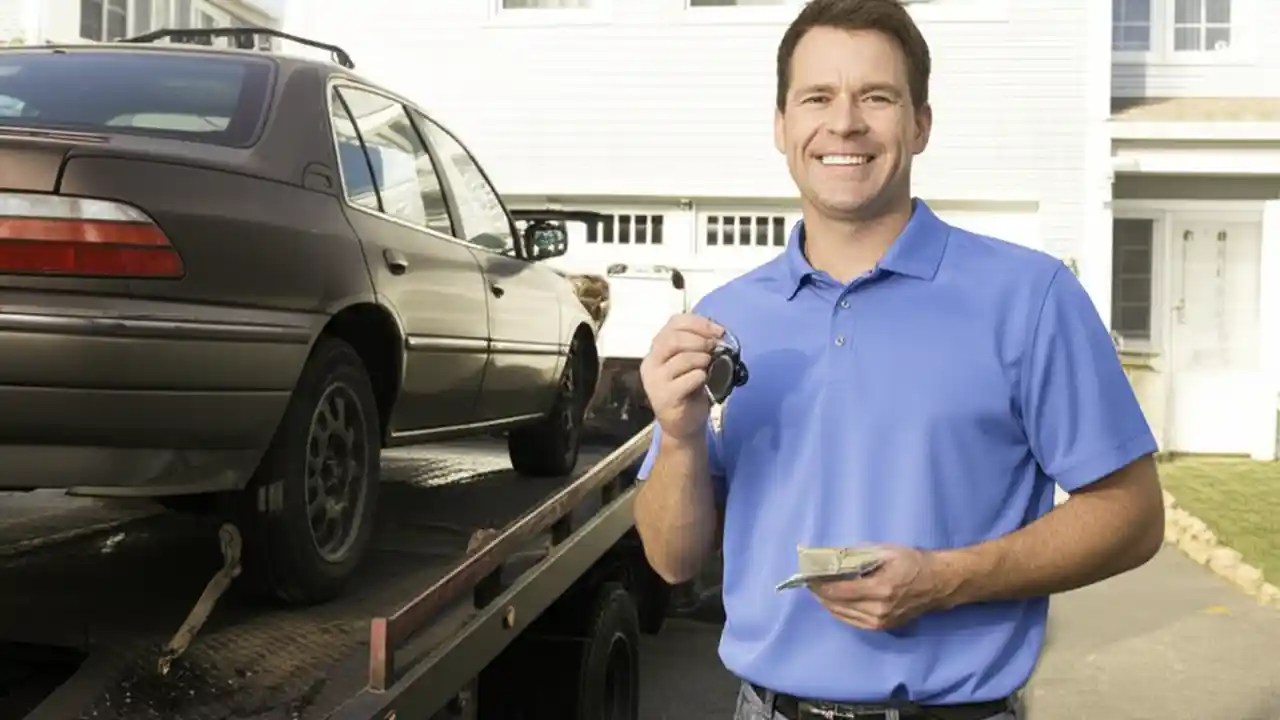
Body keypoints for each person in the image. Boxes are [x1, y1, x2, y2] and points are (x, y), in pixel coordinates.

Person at [631, 0, 1166, 718]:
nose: (844, 122)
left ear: (920, 124)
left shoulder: (1030, 297)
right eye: (817, 97)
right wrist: (682, 439)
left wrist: (948, 579)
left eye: (876, 97)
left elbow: (1133, 515)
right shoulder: (726, 317)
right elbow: (672, 560)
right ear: (782, 125)